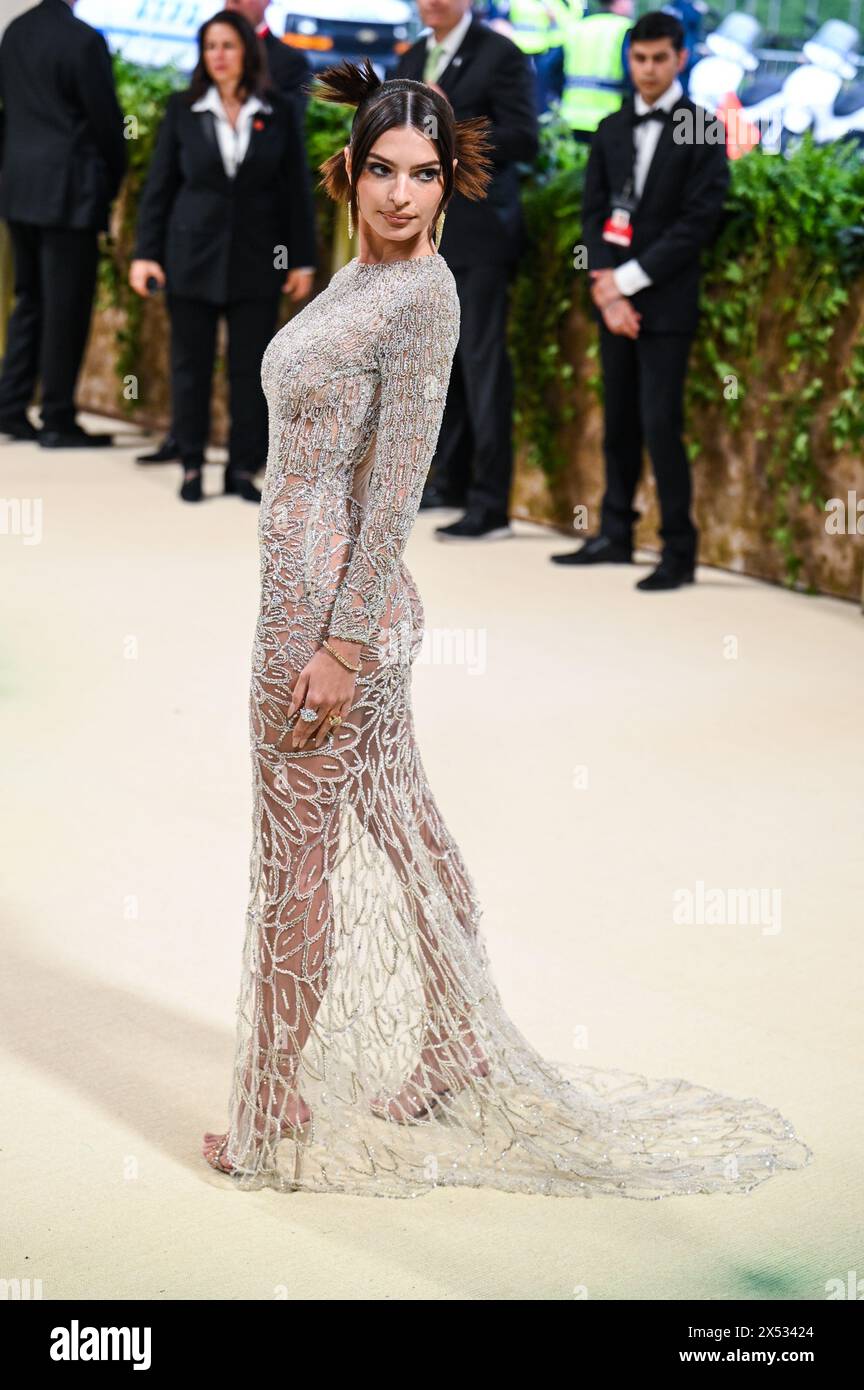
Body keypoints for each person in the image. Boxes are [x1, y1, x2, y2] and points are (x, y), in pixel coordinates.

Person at [201, 56, 812, 1198]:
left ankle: (269, 1095)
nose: (399, 195)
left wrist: (337, 646)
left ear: (449, 183)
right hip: (337, 602)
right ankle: (457, 1037)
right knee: (402, 819)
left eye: (424, 175)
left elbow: (393, 489)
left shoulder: (425, 295)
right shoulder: (357, 277)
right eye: (382, 170)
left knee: (295, 866)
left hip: (330, 617)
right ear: (351, 171)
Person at [552, 10, 729, 589]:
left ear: (680, 58)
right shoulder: (610, 127)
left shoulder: (701, 127)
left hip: (666, 302)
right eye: (639, 58)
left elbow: (697, 223)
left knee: (660, 423)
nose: (648, 69)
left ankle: (679, 551)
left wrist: (624, 283)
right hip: (613, 302)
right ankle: (615, 534)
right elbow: (595, 214)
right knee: (620, 422)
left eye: (659, 58)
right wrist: (605, 287)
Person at [129, 11, 317, 503]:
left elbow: (296, 191)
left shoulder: (275, 109)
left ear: (247, 53)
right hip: (190, 254)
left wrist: (300, 259)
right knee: (189, 365)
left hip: (258, 259)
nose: (218, 55)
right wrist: (145, 254)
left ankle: (242, 467)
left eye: (228, 46)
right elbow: (159, 190)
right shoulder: (182, 108)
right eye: (210, 46)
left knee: (250, 369)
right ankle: (191, 464)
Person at [394, 0, 539, 541]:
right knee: (435, 364)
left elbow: (525, 139)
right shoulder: (410, 56)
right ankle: (447, 482)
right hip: (421, 236)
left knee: (482, 364)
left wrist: (454, 126)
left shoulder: (500, 55)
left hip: (481, 234)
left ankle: (490, 502)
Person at [0, 0, 127, 447]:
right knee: (66, 308)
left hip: (18, 187)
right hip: (69, 192)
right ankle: (57, 418)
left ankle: (11, 406)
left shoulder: (14, 32)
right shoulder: (84, 40)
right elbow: (108, 125)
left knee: (28, 299)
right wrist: (112, 179)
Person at [554, 0, 634, 143]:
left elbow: (551, 69)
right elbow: (633, 75)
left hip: (572, 119)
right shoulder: (624, 28)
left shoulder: (577, 28)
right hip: (611, 119)